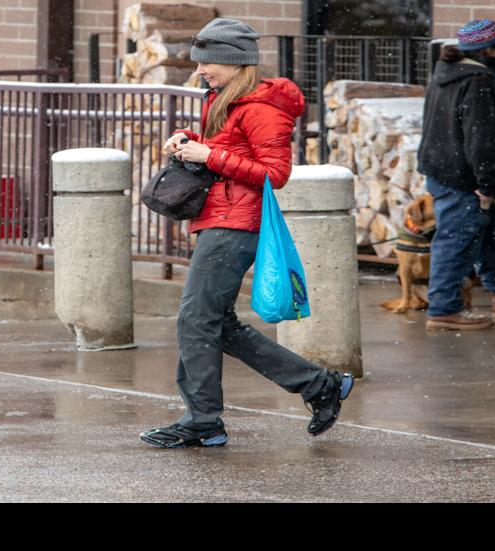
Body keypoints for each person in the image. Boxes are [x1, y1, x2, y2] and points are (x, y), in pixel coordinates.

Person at [138, 17, 354, 449]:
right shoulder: (225, 99)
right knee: (218, 324)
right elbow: (230, 148)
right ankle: (317, 384)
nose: (200, 71)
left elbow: (276, 173)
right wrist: (190, 140)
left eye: (208, 64)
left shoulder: (261, 108)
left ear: (236, 63)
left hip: (238, 223)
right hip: (222, 217)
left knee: (196, 320)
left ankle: (203, 421)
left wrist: (210, 154)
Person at [416, 18, 495, 331]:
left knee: (491, 232)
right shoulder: (479, 81)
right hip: (463, 176)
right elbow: (483, 138)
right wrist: (488, 184)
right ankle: (443, 308)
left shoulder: (449, 74)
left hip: (445, 168)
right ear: (489, 50)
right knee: (456, 239)